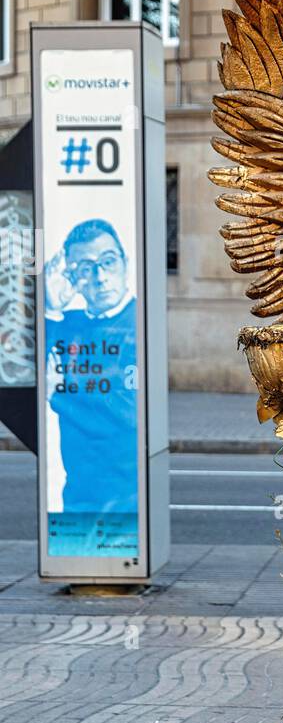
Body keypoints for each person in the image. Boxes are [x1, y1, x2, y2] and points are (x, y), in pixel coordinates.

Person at [44, 218, 138, 516]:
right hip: (78, 495)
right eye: (85, 267)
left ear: (125, 263)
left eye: (108, 261)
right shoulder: (64, 324)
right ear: (71, 276)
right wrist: (50, 309)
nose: (99, 276)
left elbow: (127, 415)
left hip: (130, 496)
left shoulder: (140, 322)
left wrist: (59, 397)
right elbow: (29, 374)